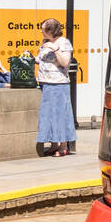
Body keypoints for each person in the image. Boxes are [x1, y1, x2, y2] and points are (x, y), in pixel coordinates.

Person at [35, 19, 76, 156]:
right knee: (49, 115)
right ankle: (53, 144)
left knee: (60, 114)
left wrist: (54, 48)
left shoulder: (63, 43)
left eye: (43, 29)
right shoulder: (44, 43)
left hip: (58, 84)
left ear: (51, 31)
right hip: (45, 83)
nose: (41, 31)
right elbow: (41, 60)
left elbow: (64, 62)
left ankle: (63, 146)